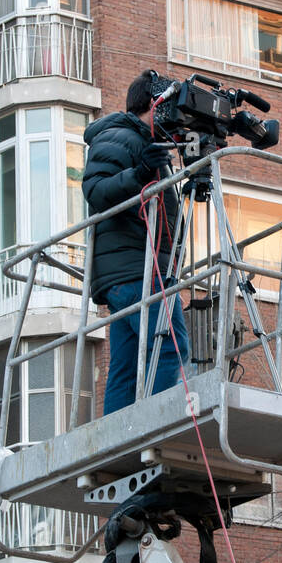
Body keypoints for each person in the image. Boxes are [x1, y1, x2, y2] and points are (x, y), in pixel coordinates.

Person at [83, 71, 190, 415]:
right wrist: (142, 172)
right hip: (134, 269)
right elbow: (96, 191)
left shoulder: (144, 142)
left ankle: (118, 442)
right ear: (153, 103)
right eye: (170, 106)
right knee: (171, 347)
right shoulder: (120, 137)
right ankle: (153, 427)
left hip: (131, 272)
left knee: (127, 368)